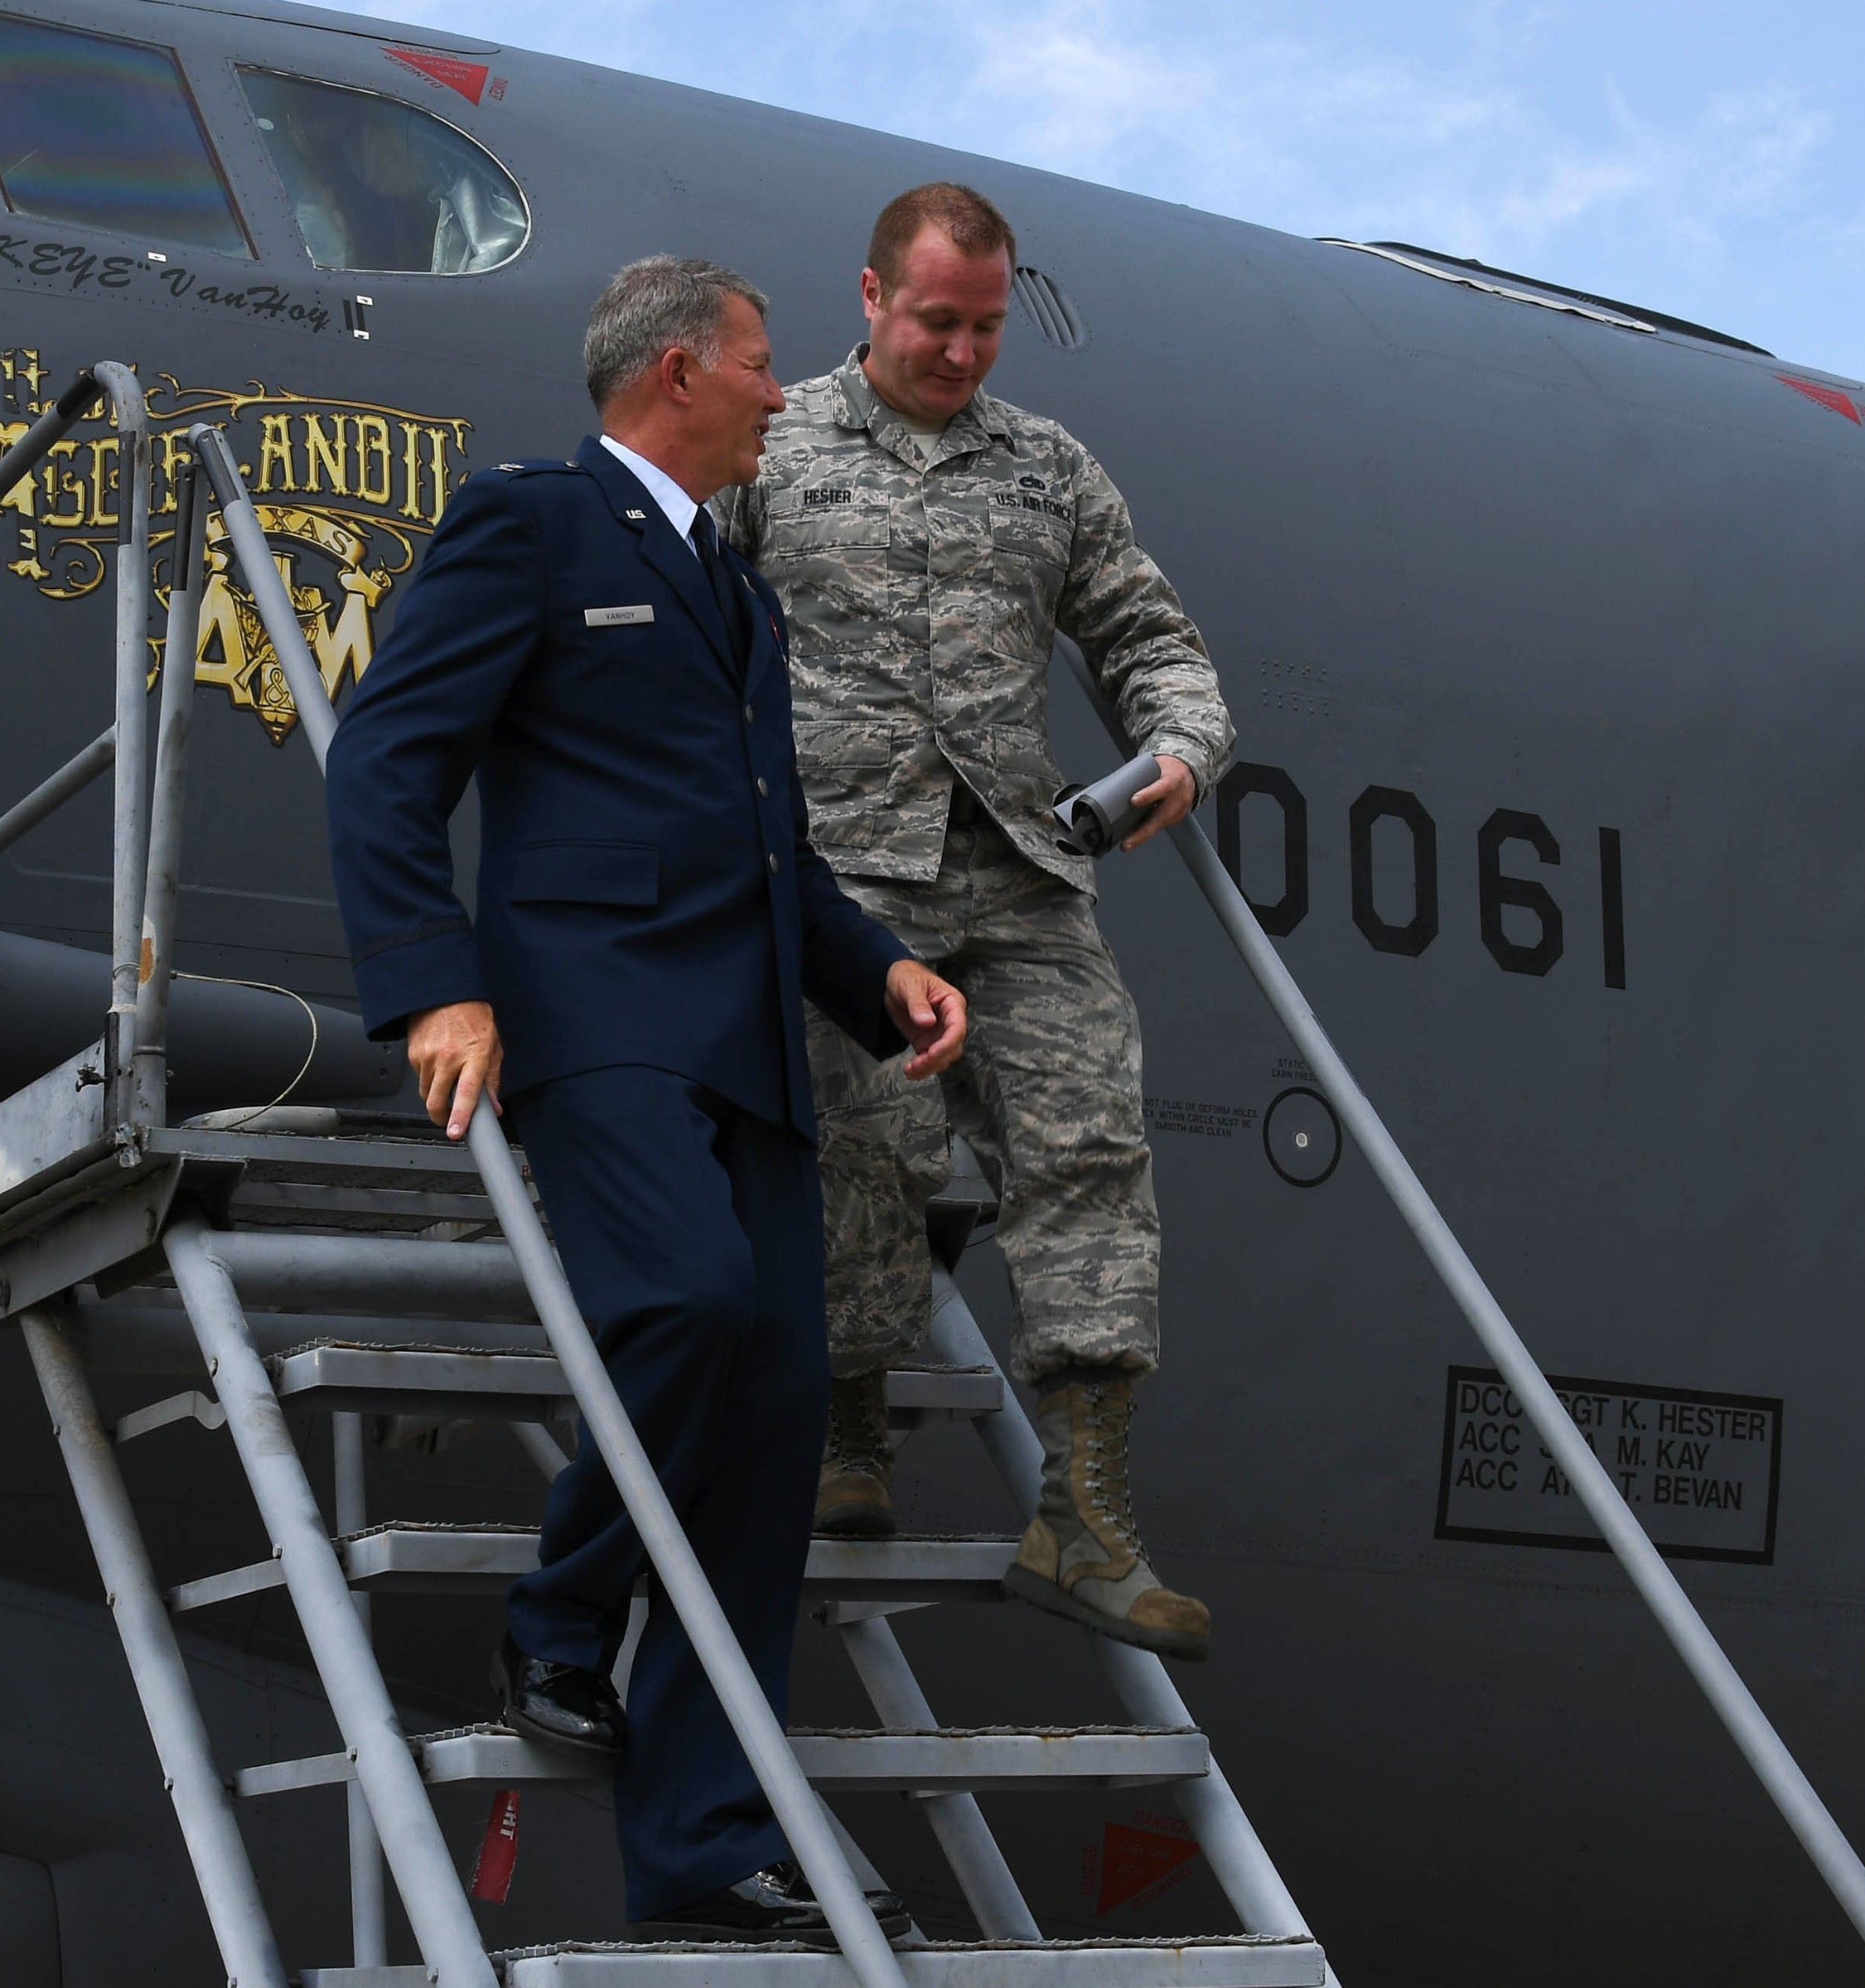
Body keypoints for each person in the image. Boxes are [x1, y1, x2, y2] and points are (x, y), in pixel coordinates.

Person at [322, 256, 968, 1942]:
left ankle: (706, 1848)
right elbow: (392, 753)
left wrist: (873, 971)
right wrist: (433, 980)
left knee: (765, 1438)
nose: (784, 392)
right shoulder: (530, 527)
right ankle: (562, 1606)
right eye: (762, 369)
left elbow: (775, 854)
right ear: (676, 374)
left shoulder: (735, 600)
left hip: (750, 1038)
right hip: (596, 1015)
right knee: (683, 1298)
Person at [722, 184, 1234, 1662]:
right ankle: (849, 1435)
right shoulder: (778, 443)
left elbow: (1147, 632)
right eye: (938, 321)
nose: (962, 353)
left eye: (988, 327)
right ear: (871, 295)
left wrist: (1182, 746)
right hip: (840, 873)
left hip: (1017, 866)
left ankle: (1083, 1516)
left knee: (1089, 1149)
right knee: (867, 1144)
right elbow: (687, 612)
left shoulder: (1048, 471)